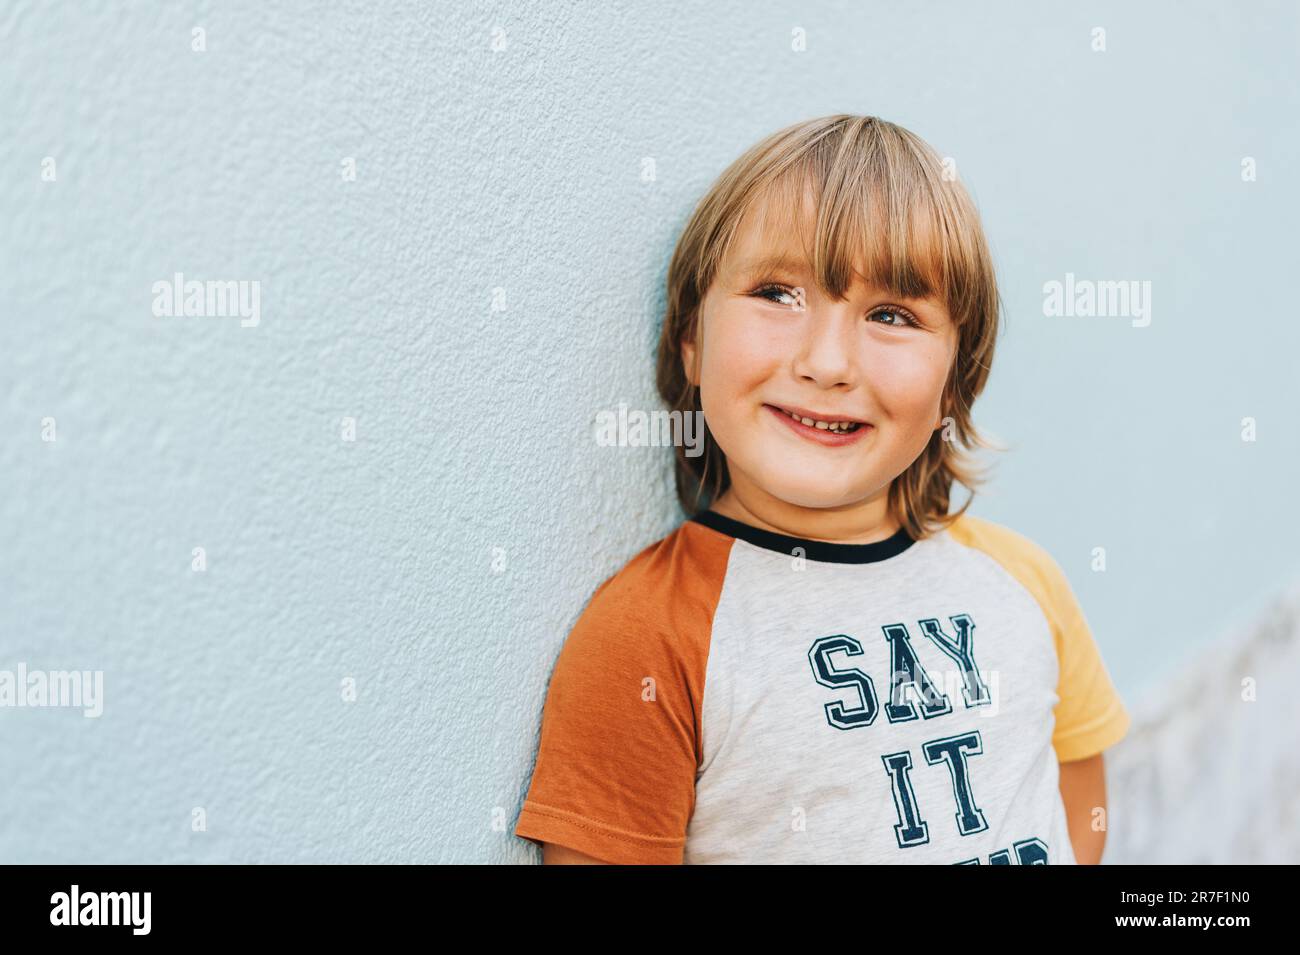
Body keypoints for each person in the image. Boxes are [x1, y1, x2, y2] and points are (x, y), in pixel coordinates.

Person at [514, 114, 1129, 864]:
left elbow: (1076, 791)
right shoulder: (650, 640)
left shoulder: (1024, 583)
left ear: (951, 389)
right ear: (691, 342)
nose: (828, 361)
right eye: (777, 293)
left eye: (891, 314)